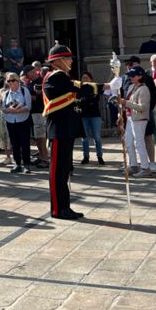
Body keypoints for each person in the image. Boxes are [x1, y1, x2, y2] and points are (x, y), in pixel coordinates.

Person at [42, 45, 84, 220]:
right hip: (59, 130)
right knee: (58, 172)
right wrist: (104, 86)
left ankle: (65, 206)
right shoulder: (55, 77)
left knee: (65, 170)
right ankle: (58, 209)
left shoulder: (63, 77)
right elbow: (79, 88)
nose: (71, 61)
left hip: (66, 130)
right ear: (58, 61)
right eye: (67, 58)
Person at [119, 67, 152, 177]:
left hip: (139, 119)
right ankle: (133, 165)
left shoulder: (144, 89)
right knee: (129, 143)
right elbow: (128, 103)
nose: (131, 77)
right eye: (130, 76)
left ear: (140, 76)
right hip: (130, 118)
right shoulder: (131, 86)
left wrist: (126, 103)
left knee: (139, 143)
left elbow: (143, 107)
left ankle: (145, 168)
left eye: (133, 76)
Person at [77, 72, 104, 165]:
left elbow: (95, 99)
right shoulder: (79, 88)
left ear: (90, 79)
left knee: (97, 137)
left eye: (86, 77)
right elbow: (78, 100)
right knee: (84, 138)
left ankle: (100, 156)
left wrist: (85, 100)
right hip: (84, 116)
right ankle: (86, 157)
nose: (84, 79)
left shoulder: (95, 87)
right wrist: (87, 101)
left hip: (95, 115)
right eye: (83, 78)